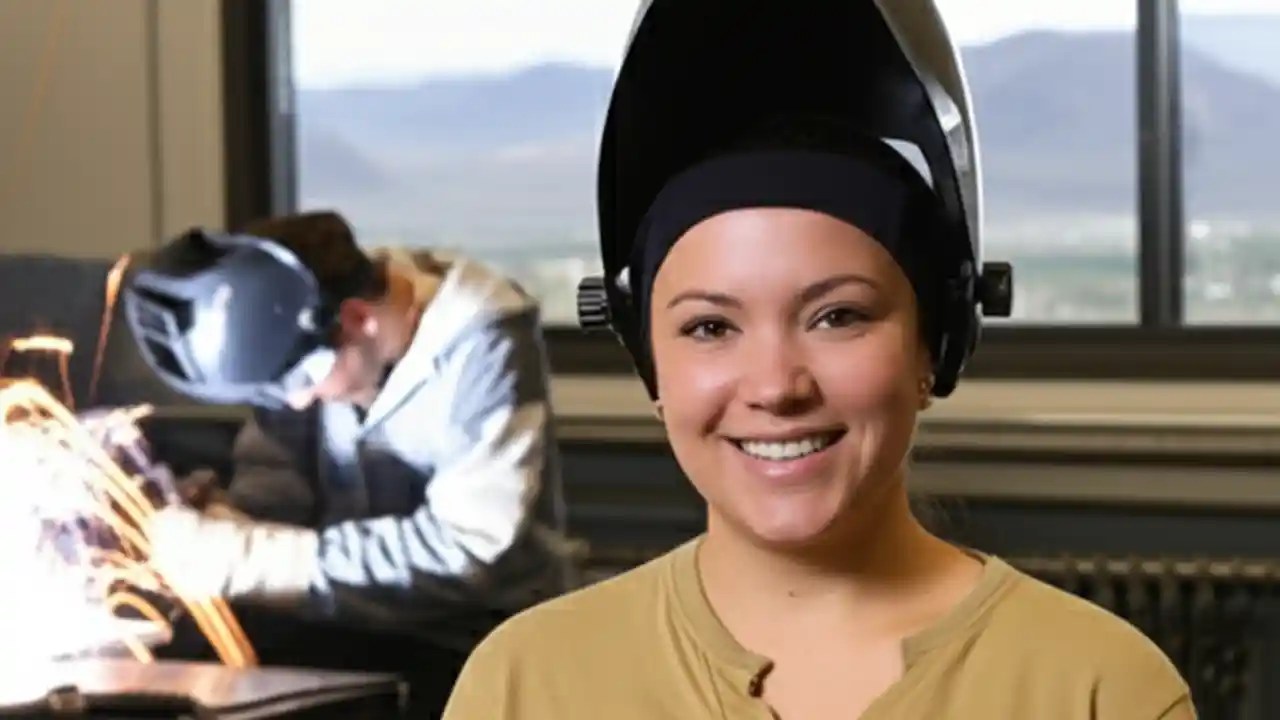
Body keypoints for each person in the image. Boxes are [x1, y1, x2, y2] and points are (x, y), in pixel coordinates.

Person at [442, 0, 1195, 718]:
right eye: (710, 327)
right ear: (649, 363)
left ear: (934, 344)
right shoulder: (525, 683)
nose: (776, 386)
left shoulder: (1100, 689)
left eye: (838, 316)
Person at [122, 210, 570, 717]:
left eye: (296, 383)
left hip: (477, 635)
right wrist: (223, 519)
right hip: (344, 619)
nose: (293, 403)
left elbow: (468, 552)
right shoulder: (297, 328)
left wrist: (258, 558)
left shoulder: (483, 342)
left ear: (359, 320)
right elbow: (274, 486)